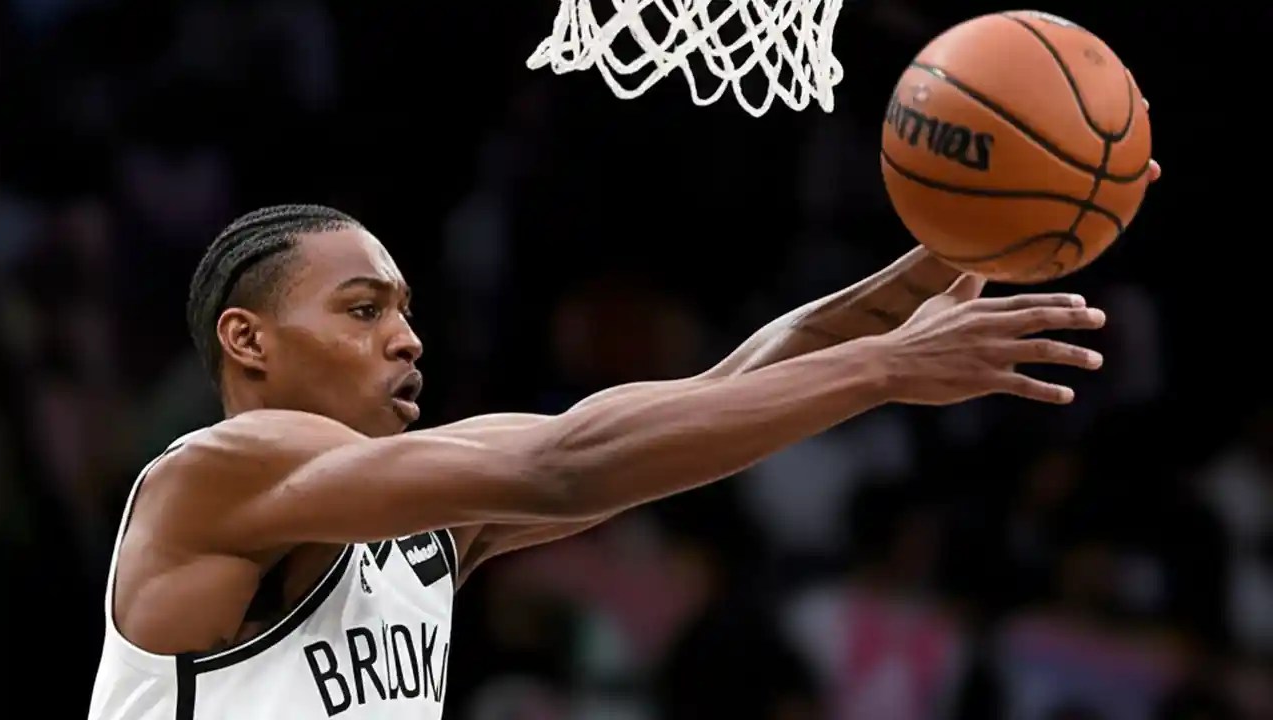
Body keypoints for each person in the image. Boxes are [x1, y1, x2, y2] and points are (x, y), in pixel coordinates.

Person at [87, 165, 1157, 719]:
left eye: (407, 309)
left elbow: (701, 399)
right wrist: (884, 369)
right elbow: (567, 464)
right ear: (248, 340)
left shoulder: (413, 533)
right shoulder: (209, 480)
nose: (408, 336)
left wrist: (915, 276)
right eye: (363, 310)